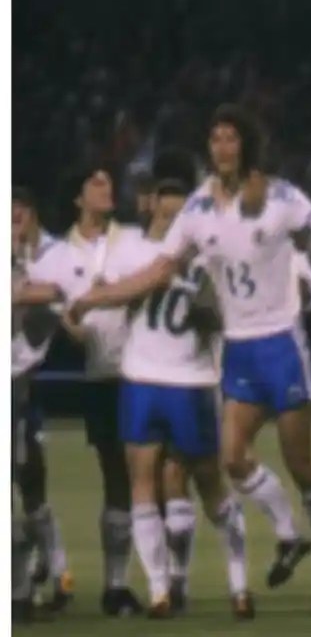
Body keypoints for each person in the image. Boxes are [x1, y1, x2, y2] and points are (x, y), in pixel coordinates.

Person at [69, 104, 311, 617]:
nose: (222, 147)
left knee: (300, 463)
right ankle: (288, 535)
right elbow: (157, 271)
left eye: (230, 138)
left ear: (245, 145)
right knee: (234, 458)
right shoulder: (196, 210)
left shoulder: (280, 196)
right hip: (239, 347)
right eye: (215, 138)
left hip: (282, 341)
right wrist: (97, 298)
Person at [105, 149, 254, 619]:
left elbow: (224, 315)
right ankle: (159, 590)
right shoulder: (128, 249)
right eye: (163, 204)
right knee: (143, 482)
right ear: (150, 204)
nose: (171, 214)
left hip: (191, 379)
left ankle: (238, 582)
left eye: (177, 206)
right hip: (141, 376)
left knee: (209, 483)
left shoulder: (206, 252)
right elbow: (117, 296)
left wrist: (203, 305)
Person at [17, 165, 144, 617]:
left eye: (109, 183)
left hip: (147, 370)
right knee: (117, 474)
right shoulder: (54, 257)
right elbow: (48, 313)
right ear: (77, 198)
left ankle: (171, 581)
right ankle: (114, 585)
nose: (106, 189)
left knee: (156, 475)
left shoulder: (132, 240)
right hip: (100, 374)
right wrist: (72, 324)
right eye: (95, 183)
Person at [10, 189, 74, 612]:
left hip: (19, 392)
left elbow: (56, 293)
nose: (13, 224)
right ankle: (26, 587)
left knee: (31, 488)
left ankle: (48, 575)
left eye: (19, 216)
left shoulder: (52, 255)